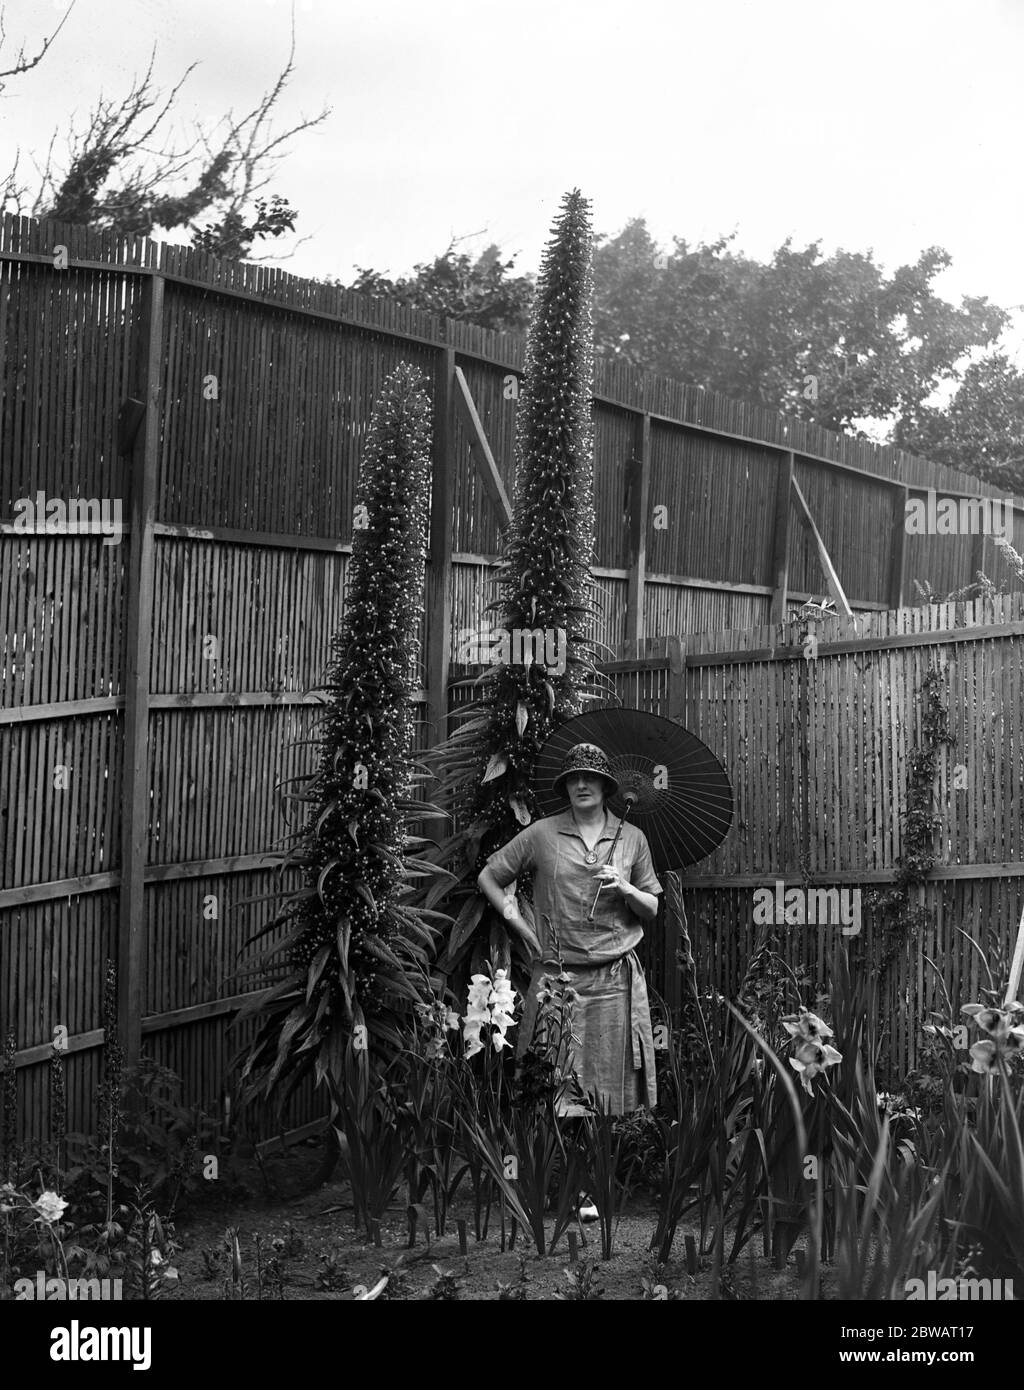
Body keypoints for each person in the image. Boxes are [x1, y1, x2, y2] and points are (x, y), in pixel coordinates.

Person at [476, 742, 663, 1122]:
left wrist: (627, 890)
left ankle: (609, 1167)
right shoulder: (543, 834)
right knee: (551, 1087)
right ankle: (555, 1169)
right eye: (573, 778)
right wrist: (520, 924)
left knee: (614, 1095)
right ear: (564, 787)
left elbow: (653, 908)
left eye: (590, 777)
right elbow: (489, 877)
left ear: (606, 785)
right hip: (558, 983)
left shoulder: (632, 839)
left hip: (615, 983)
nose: (582, 785)